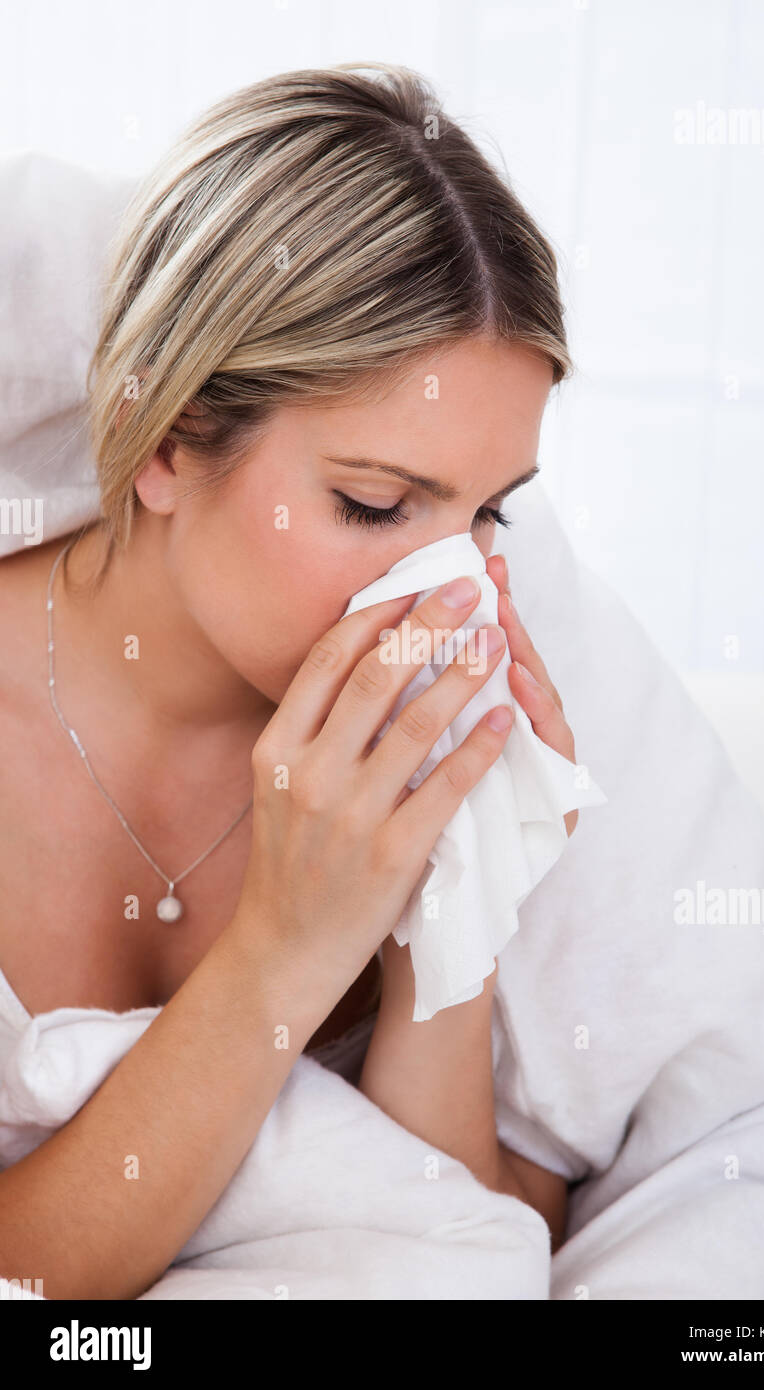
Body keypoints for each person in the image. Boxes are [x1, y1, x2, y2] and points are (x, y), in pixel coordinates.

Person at [0, 62, 578, 1298]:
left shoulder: (399, 752)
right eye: (373, 504)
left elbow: (438, 1245)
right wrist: (281, 952)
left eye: (488, 518)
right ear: (162, 440)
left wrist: (442, 914)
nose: (445, 594)